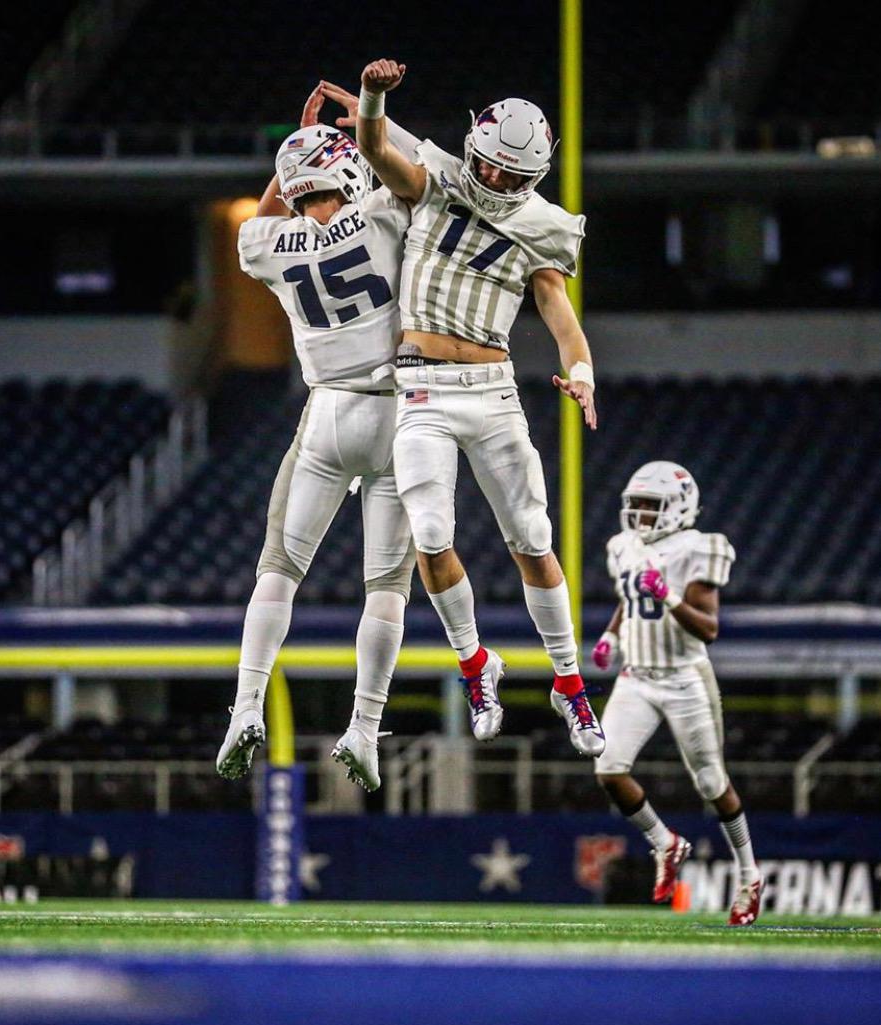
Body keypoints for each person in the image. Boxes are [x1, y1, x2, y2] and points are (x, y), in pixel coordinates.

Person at [348, 59, 604, 757]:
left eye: (511, 176)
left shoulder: (543, 227)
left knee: (532, 536)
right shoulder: (435, 184)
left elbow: (557, 307)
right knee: (428, 534)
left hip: (492, 392)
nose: (494, 182)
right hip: (422, 388)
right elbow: (373, 148)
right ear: (473, 151)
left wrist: (578, 370)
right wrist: (373, 95)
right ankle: (474, 662)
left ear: (535, 177)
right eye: (488, 168)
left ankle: (568, 683)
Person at [216, 87, 417, 792]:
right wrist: (366, 125)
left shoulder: (269, 243)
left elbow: (269, 215)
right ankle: (364, 725)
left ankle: (246, 705)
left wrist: (290, 158)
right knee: (386, 584)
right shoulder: (382, 213)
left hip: (327, 412)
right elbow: (405, 169)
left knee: (279, 568)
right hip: (397, 411)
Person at [591, 461, 763, 926]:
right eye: (637, 505)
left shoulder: (699, 548)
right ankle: (665, 842)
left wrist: (669, 596)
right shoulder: (624, 547)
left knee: (710, 782)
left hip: (685, 677)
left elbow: (708, 628)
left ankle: (748, 874)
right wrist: (612, 636)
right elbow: (631, 601)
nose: (641, 515)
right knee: (608, 768)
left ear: (679, 506)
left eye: (651, 506)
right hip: (637, 675)